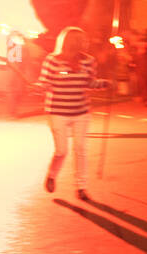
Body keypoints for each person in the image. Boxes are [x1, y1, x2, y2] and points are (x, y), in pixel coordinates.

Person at [35, 26, 109, 201]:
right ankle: (52, 175)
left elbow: (89, 83)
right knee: (61, 150)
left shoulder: (89, 61)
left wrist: (105, 83)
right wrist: (38, 87)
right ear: (72, 42)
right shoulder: (52, 60)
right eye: (83, 40)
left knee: (81, 148)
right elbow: (45, 81)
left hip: (81, 111)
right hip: (58, 111)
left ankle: (81, 187)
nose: (86, 43)